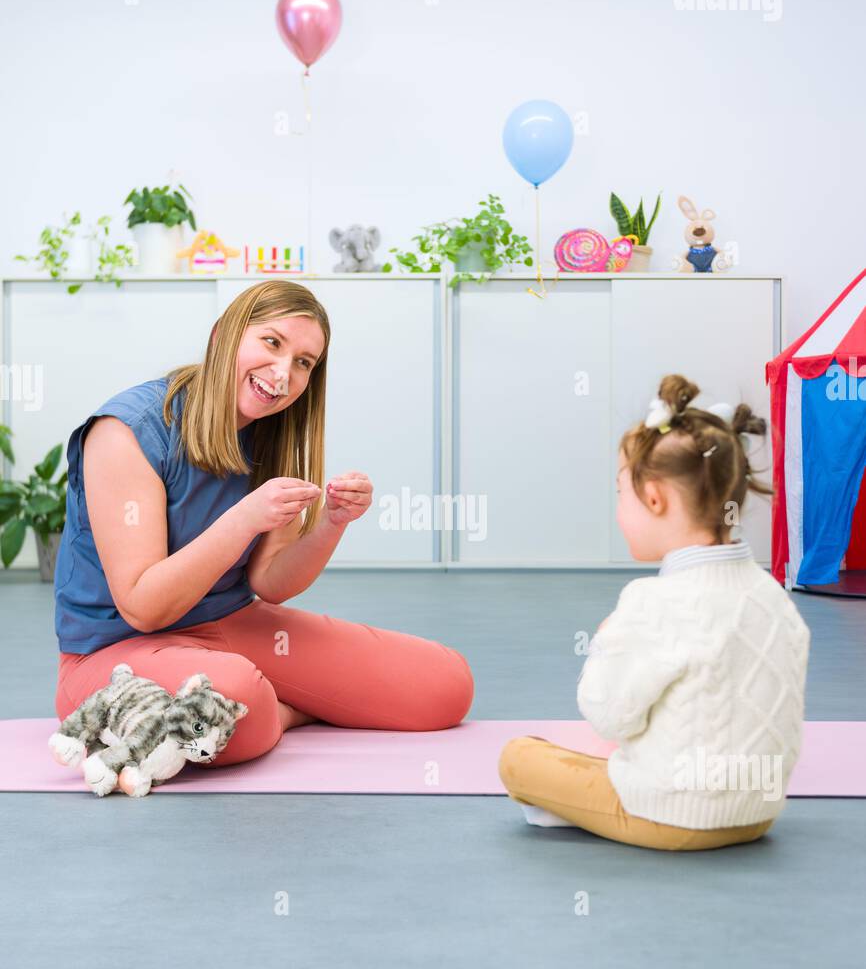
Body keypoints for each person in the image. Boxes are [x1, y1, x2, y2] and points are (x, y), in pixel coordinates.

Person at [54, 281, 474, 766]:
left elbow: (270, 583)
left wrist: (331, 524)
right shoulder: (125, 432)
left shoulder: (272, 434)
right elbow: (144, 608)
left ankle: (269, 705)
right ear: (222, 337)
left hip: (231, 625)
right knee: (234, 702)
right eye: (272, 343)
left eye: (303, 362)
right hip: (115, 653)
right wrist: (245, 517)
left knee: (442, 685)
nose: (283, 373)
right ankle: (281, 708)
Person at [498, 374, 811, 851]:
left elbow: (607, 716)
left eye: (620, 494)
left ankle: (587, 810)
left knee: (519, 758)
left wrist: (607, 642)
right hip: (758, 816)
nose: (619, 508)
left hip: (672, 816)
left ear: (655, 498)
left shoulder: (652, 602)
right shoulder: (773, 597)